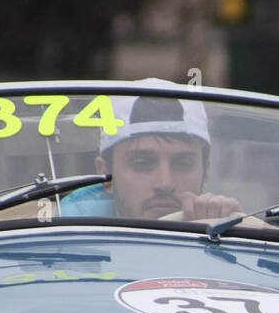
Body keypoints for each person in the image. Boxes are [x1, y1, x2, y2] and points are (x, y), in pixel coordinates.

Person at [60, 91, 241, 221]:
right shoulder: (63, 234)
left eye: (183, 163)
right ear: (106, 175)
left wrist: (231, 230)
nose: (165, 183)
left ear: (206, 172)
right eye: (142, 163)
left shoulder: (232, 235)